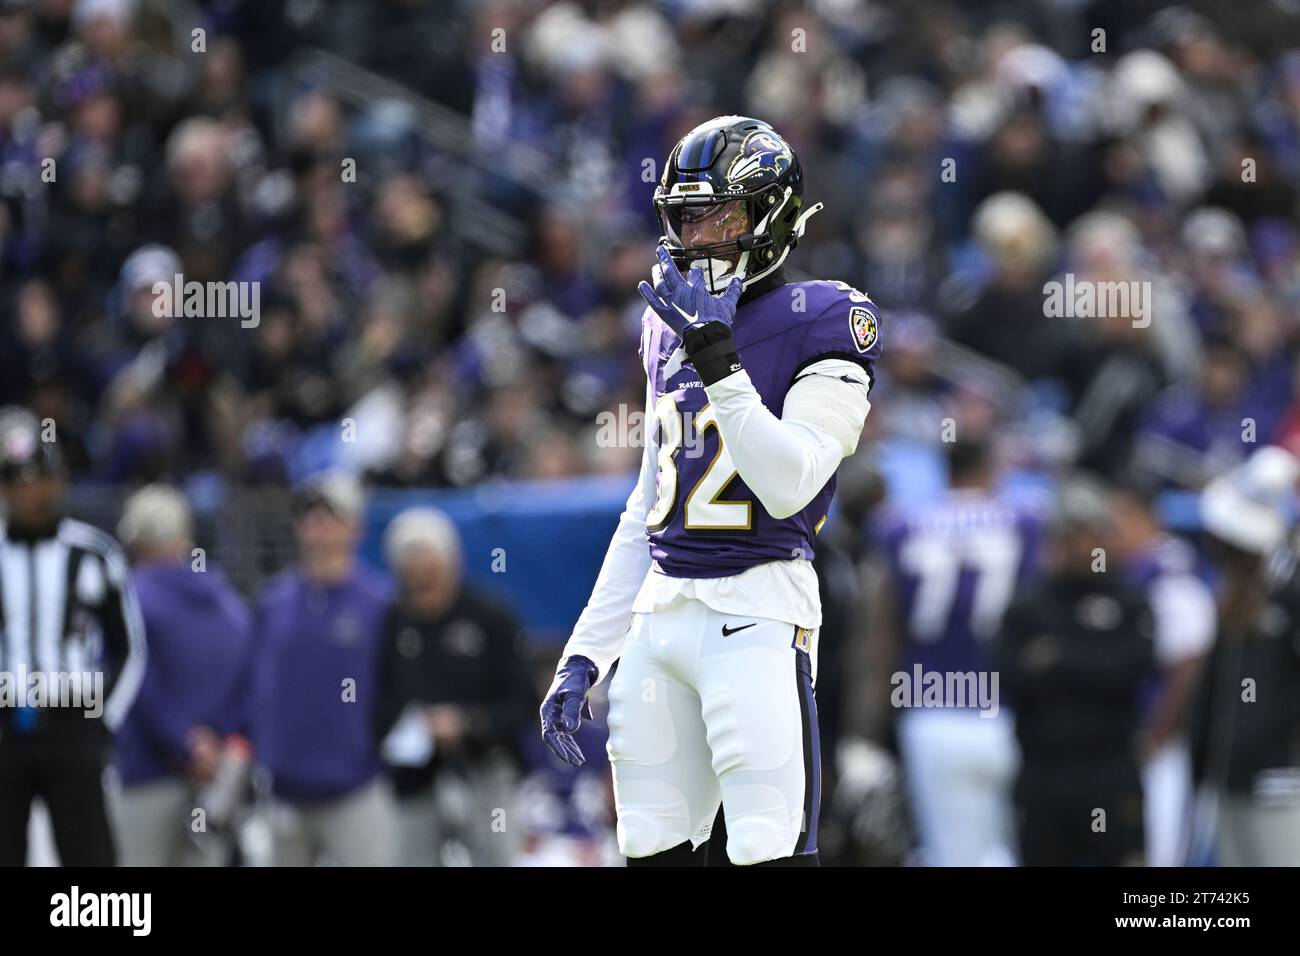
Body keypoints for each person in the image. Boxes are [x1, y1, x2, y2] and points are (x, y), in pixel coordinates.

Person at [538, 117, 882, 866]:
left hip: (757, 613)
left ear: (773, 215)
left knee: (768, 852)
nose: (699, 237)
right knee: (653, 853)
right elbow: (645, 508)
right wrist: (585, 654)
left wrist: (721, 364)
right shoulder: (667, 323)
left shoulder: (823, 316)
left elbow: (791, 484)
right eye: (685, 218)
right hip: (659, 622)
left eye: (719, 216)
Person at [869, 436, 1042, 866]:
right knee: (1014, 849)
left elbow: (883, 631)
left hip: (931, 705)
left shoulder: (901, 524)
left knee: (949, 854)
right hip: (1006, 710)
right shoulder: (1025, 520)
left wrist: (870, 726)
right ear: (990, 468)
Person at [0, 407, 146, 866]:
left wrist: (103, 720)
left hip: (73, 724)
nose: (29, 492)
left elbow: (129, 647)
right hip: (4, 726)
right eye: (16, 480)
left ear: (59, 481)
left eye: (38, 478)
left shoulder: (94, 552)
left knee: (89, 858)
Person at [994, 477, 1156, 866]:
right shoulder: (1029, 604)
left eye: (1091, 534)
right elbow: (1006, 675)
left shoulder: (1129, 600)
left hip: (1110, 767)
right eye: (1072, 535)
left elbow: (1134, 669)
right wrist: (1095, 660)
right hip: (1043, 769)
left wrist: (1061, 657)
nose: (1083, 546)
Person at [248, 471, 396, 866]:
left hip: (356, 788)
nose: (318, 527)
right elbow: (255, 684)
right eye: (309, 516)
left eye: (330, 516)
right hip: (284, 788)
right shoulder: (274, 600)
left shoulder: (379, 603)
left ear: (356, 529)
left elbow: (397, 687)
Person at [375, 507, 533, 866]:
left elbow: (524, 701)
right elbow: (373, 699)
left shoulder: (491, 617)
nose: (422, 584)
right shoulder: (389, 622)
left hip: (484, 770)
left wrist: (467, 722)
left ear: (453, 564)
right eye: (411, 576)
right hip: (413, 779)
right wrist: (405, 726)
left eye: (430, 572)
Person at [111, 484, 252, 866]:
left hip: (146, 772)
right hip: (216, 777)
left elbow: (133, 681)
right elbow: (248, 679)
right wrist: (215, 745)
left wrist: (185, 742)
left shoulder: (130, 596)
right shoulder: (228, 600)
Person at [1189, 445, 1300, 865]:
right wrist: (1203, 765)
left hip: (1281, 782)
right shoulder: (1232, 600)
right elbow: (1214, 692)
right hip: (1227, 778)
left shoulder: (1290, 596)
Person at [1109, 482, 1215, 867]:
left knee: (1159, 852)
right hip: (1133, 737)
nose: (1112, 529)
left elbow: (1189, 661)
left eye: (1121, 518)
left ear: (1147, 518)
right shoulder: (1132, 568)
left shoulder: (1165, 568)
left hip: (1162, 742)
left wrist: (1157, 734)